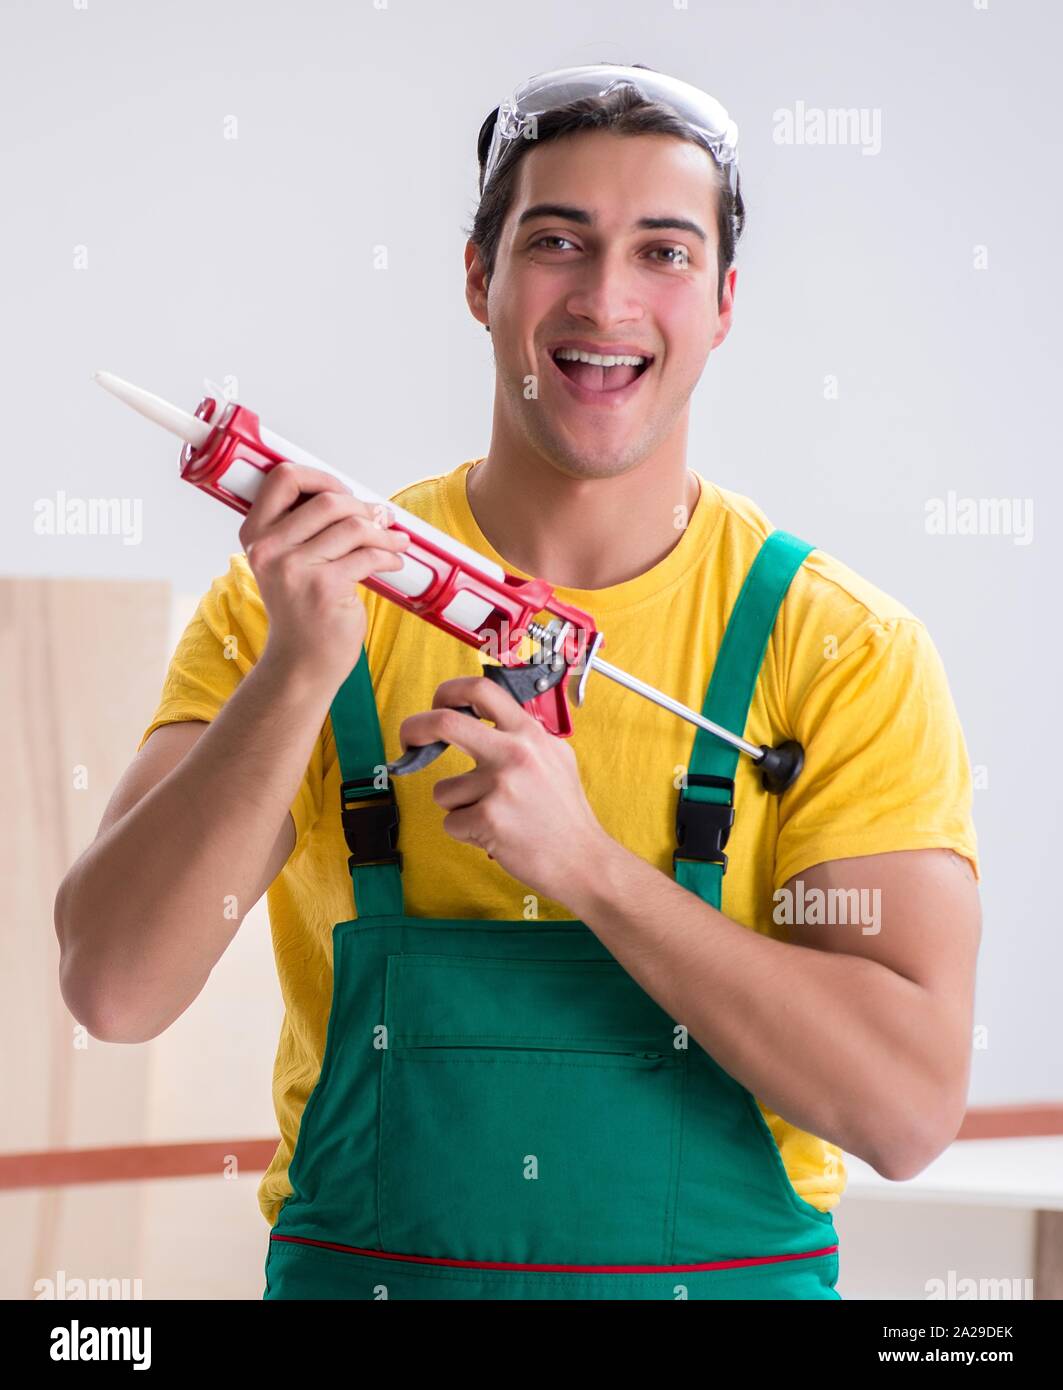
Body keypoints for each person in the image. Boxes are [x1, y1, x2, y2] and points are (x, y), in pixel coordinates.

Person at [54, 64, 981, 1300]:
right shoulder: (301, 597)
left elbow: (906, 1111)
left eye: (662, 251)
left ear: (721, 302)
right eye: (557, 241)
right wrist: (300, 672)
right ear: (480, 276)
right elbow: (114, 989)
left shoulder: (840, 650)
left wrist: (590, 869)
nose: (605, 300)